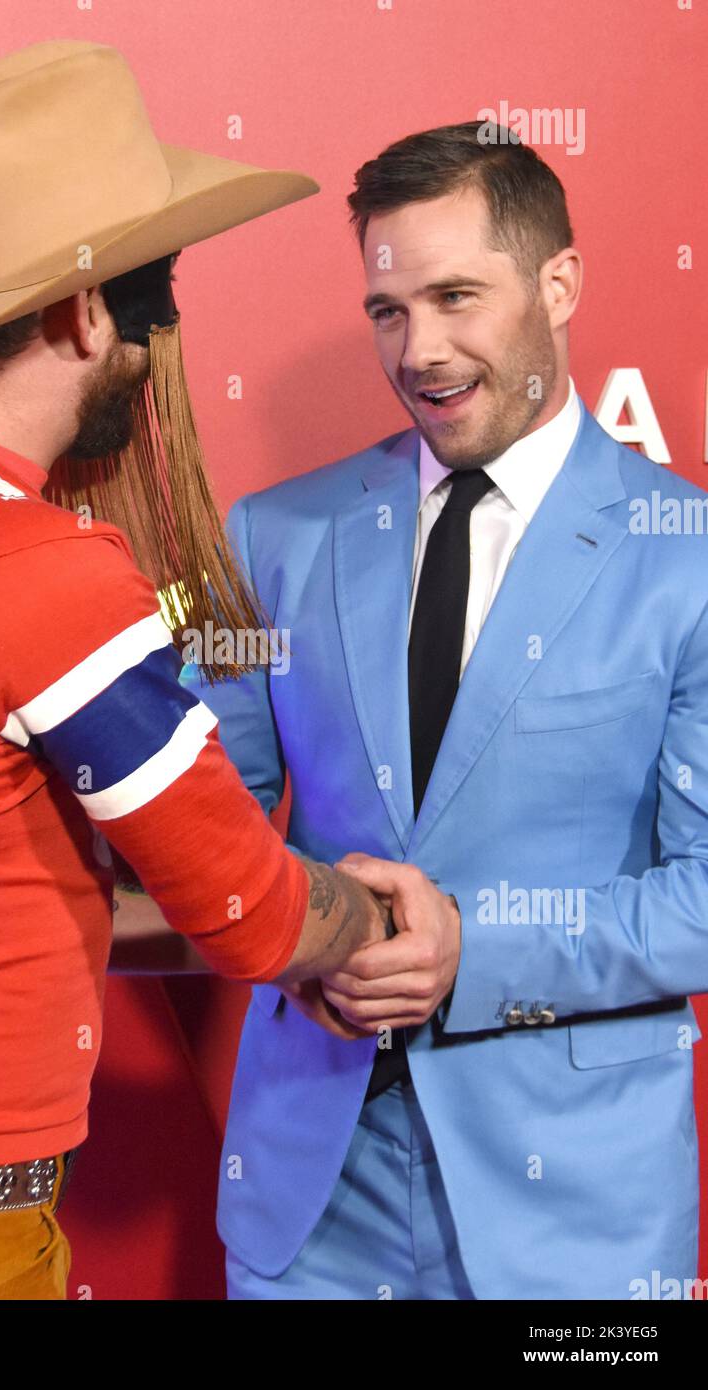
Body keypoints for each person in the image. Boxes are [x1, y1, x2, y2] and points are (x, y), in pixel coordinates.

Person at [0, 39, 389, 1302]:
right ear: (88, 314)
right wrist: (371, 915)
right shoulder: (35, 569)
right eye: (155, 314)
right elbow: (254, 915)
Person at [180, 121, 708, 1299]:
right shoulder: (280, 534)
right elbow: (197, 826)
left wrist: (475, 949)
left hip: (573, 1230)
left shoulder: (688, 554)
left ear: (557, 283)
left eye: (455, 296)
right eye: (387, 310)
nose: (419, 349)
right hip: (312, 1198)